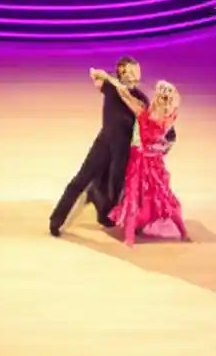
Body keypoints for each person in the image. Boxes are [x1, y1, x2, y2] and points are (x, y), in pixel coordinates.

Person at [48, 57, 174, 236]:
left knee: (115, 187)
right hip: (104, 143)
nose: (136, 74)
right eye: (131, 70)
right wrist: (107, 77)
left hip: (123, 150)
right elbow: (96, 76)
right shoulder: (111, 88)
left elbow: (153, 119)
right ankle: (56, 219)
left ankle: (103, 211)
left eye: (137, 70)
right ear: (122, 72)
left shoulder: (139, 98)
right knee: (80, 180)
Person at [93, 71, 188, 246]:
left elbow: (169, 138)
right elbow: (124, 94)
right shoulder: (143, 110)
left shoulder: (169, 117)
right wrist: (109, 78)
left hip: (155, 164)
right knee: (134, 195)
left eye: (166, 99)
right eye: (161, 97)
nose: (163, 101)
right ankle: (130, 237)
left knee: (162, 196)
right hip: (139, 162)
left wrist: (162, 148)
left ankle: (183, 232)